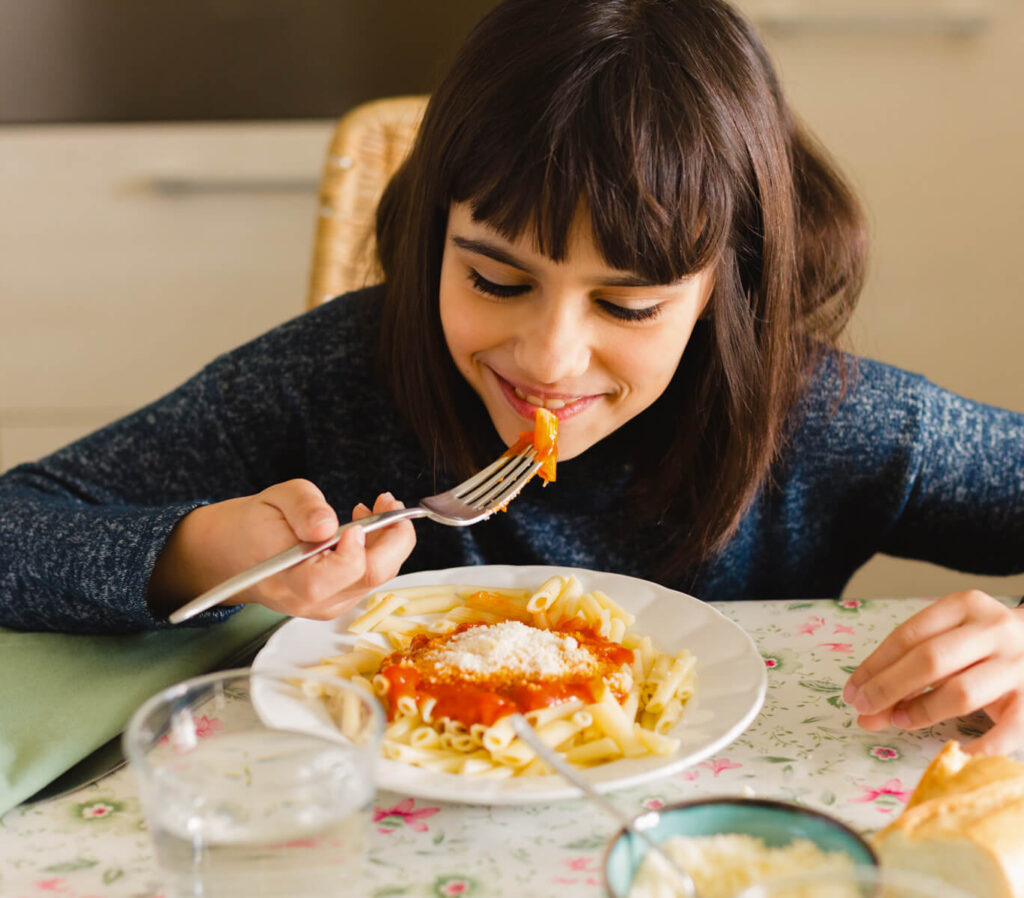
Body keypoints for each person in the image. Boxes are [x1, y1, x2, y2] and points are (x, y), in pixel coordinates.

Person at [2, 0, 1023, 753]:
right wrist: (199, 551)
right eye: (495, 278)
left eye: (628, 306)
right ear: (430, 230)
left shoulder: (828, 420)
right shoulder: (330, 376)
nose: (548, 359)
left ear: (726, 285)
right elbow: (17, 526)